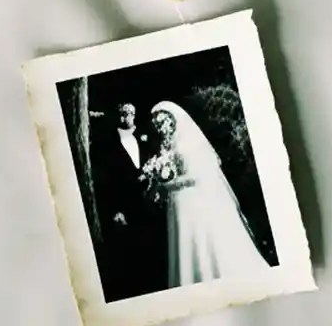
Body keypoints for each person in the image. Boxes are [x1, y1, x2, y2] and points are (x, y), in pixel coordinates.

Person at [146, 101, 270, 287]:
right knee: (182, 244)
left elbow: (198, 175)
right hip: (177, 202)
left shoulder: (187, 143)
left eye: (162, 122)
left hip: (192, 200)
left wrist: (170, 185)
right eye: (157, 124)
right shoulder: (166, 147)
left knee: (199, 241)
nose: (161, 128)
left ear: (172, 121)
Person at [91, 102, 163, 300]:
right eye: (122, 113)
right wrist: (115, 210)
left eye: (129, 113)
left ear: (134, 115)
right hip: (125, 205)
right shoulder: (108, 144)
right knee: (130, 252)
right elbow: (106, 180)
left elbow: (154, 162)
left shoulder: (145, 138)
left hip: (149, 203)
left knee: (153, 246)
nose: (125, 117)